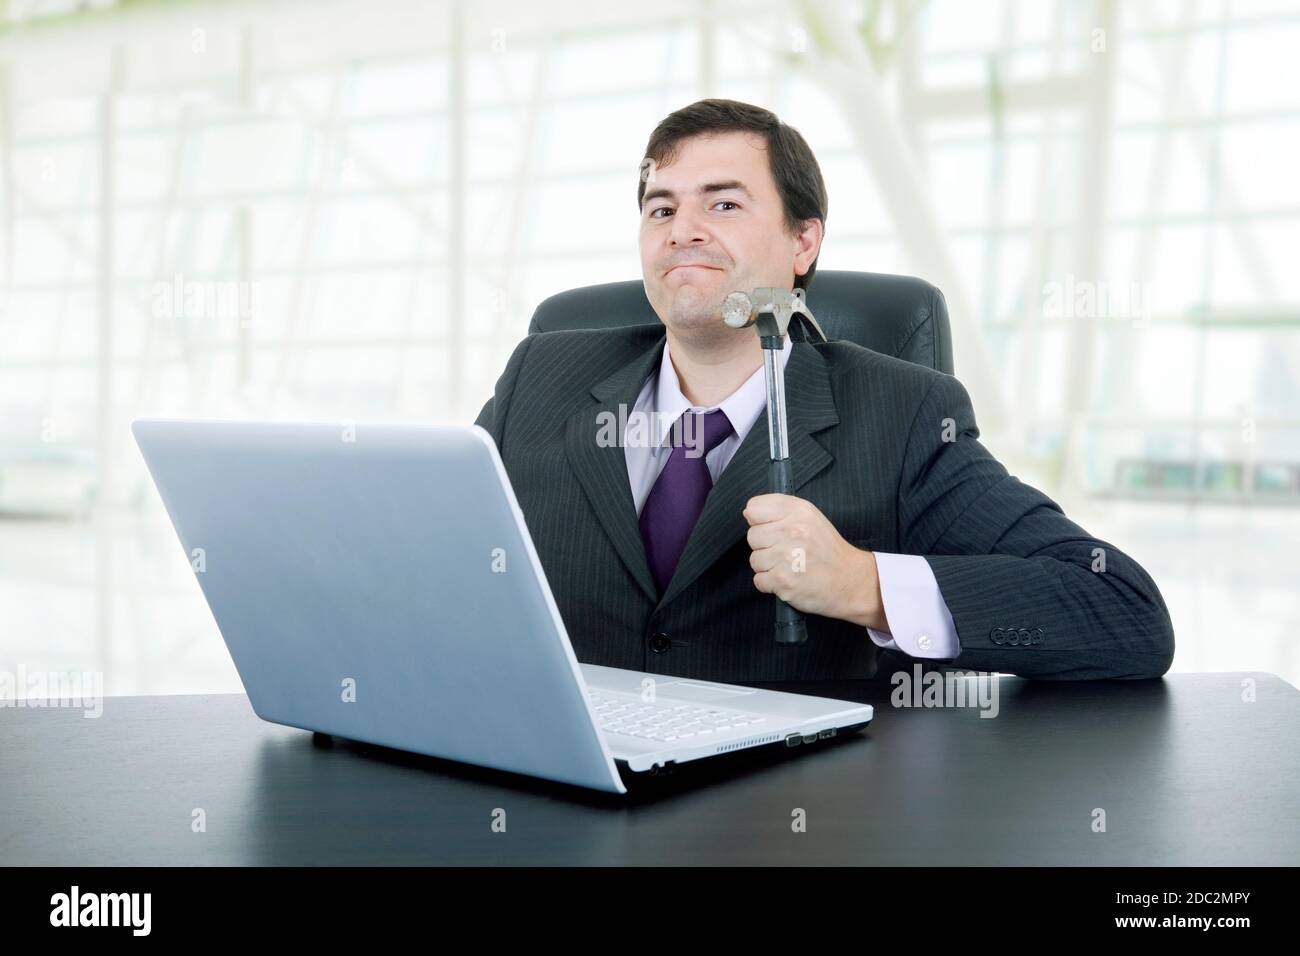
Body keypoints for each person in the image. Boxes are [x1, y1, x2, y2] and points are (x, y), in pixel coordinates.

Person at [474, 98, 1174, 683]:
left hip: (785, 821)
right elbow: (437, 566)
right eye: (660, 210)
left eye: (722, 204)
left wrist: (866, 585)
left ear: (803, 243)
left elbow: (1122, 609)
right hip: (561, 797)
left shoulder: (902, 417)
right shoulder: (541, 376)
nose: (682, 230)